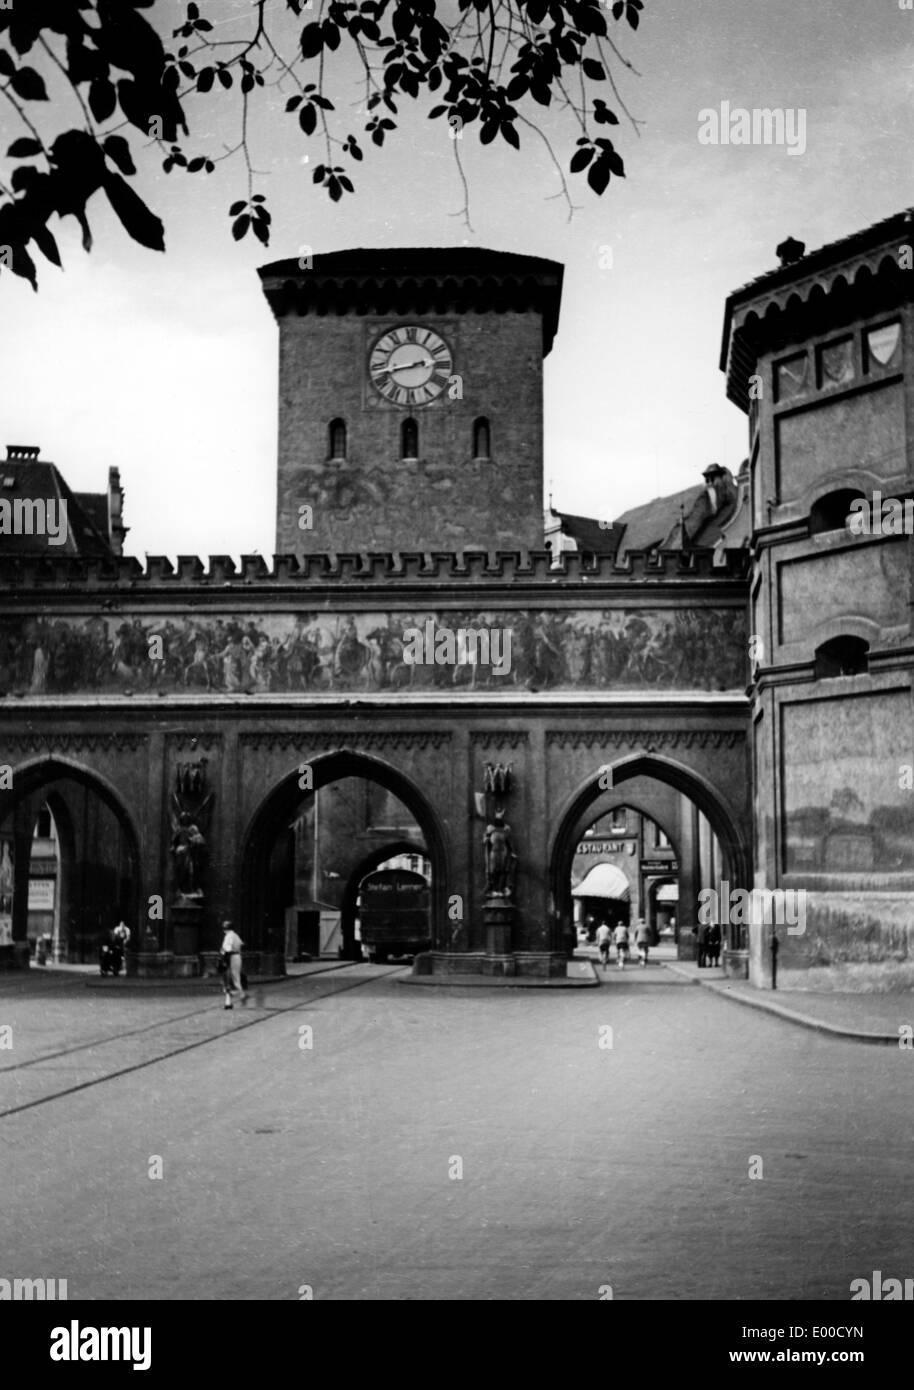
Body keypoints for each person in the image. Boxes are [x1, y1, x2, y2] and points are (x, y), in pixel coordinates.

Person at [221, 919, 247, 1009]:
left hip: (230, 958)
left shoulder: (229, 936)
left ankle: (241, 995)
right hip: (237, 957)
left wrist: (223, 954)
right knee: (234, 978)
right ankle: (229, 1002)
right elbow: (241, 945)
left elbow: (227, 949)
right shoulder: (235, 935)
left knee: (230, 979)